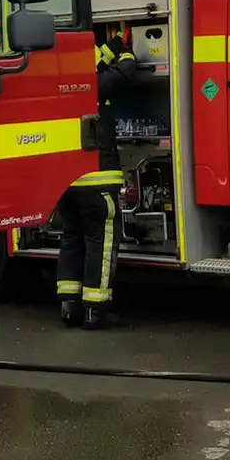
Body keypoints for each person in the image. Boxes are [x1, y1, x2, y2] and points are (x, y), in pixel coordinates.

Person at [58, 24, 139, 331]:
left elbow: (94, 61)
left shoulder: (62, 85)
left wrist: (113, 43)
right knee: (100, 244)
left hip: (67, 184)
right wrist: (127, 50)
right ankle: (96, 309)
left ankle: (69, 306)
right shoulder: (95, 85)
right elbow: (126, 71)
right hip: (97, 182)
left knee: (72, 239)